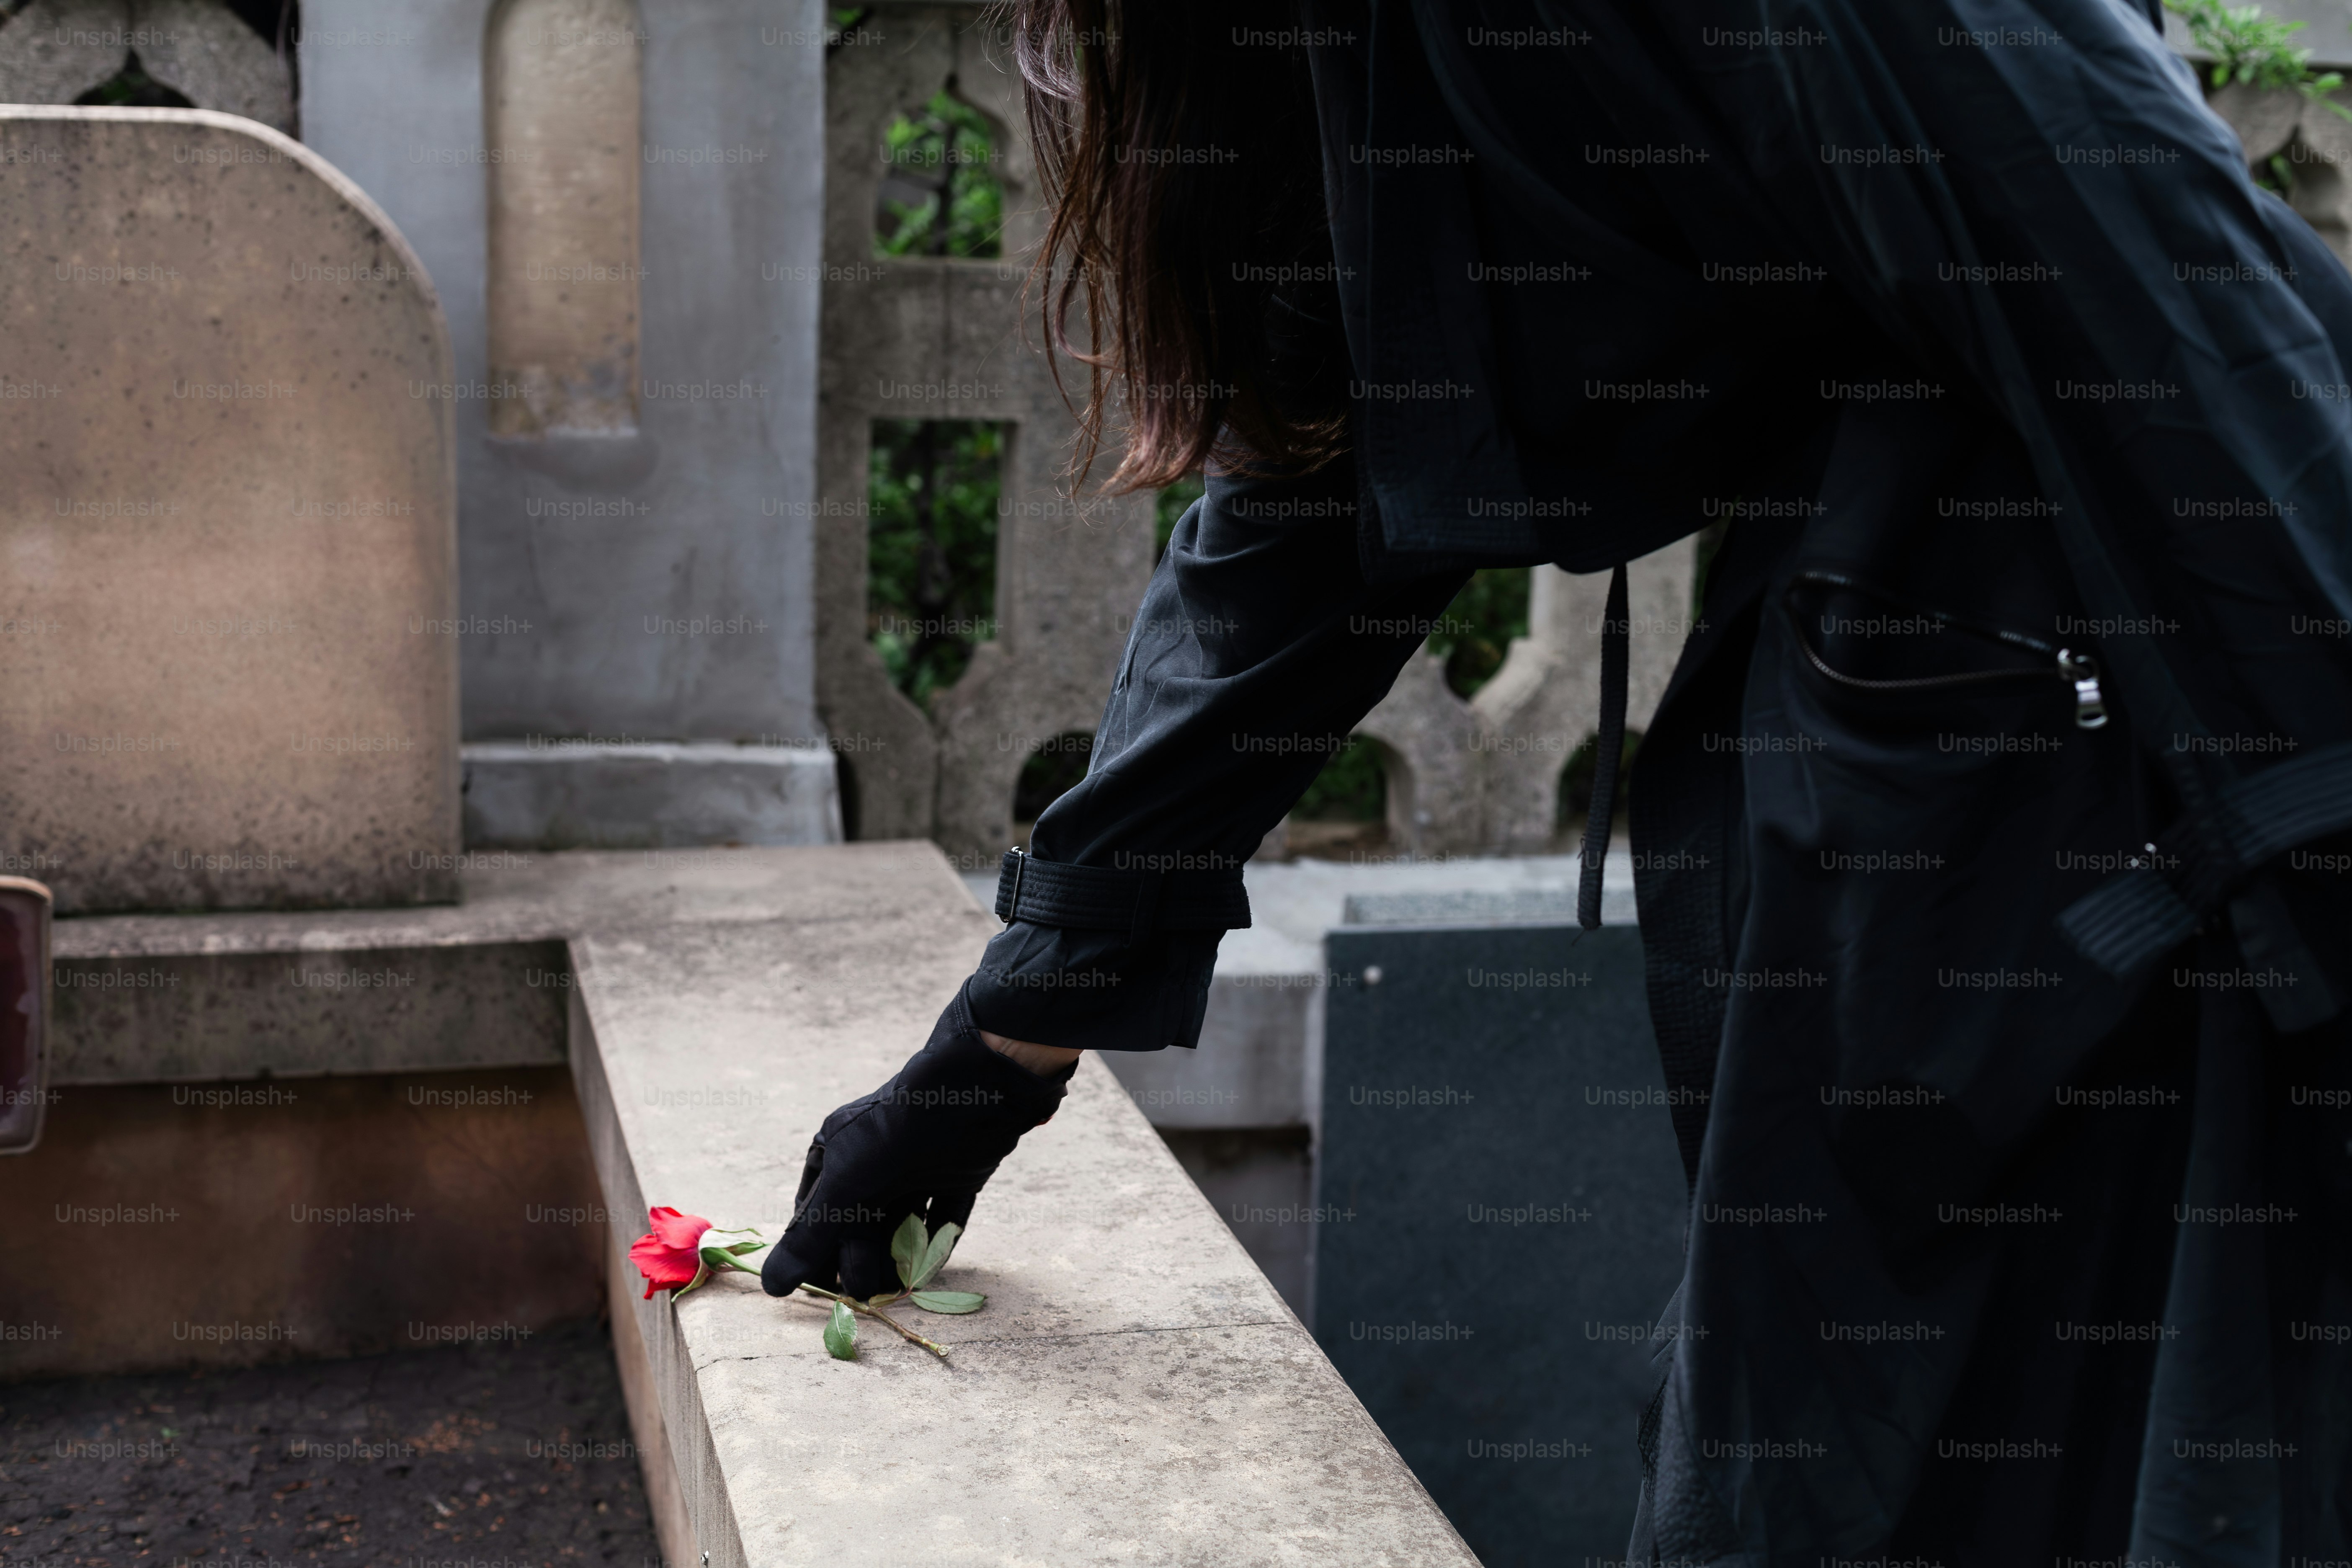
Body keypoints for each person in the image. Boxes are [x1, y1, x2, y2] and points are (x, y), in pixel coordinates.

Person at [764, 0, 2352, 1560]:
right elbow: (1317, 504)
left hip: (2161, 742)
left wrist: (2304, 810)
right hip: (1902, 753)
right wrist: (991, 1056)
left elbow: (2130, 229)